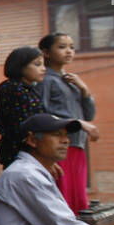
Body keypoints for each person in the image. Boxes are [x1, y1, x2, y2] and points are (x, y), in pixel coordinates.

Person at [39, 32, 99, 212]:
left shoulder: (72, 81)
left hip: (78, 146)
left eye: (72, 47)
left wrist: (84, 89)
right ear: (46, 52)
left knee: (78, 200)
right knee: (62, 201)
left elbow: (89, 115)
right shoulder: (45, 80)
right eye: (62, 47)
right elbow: (42, 115)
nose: (69, 51)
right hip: (57, 148)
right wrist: (77, 122)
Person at [0, 46, 47, 169]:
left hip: (34, 151)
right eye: (37, 64)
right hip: (20, 153)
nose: (43, 69)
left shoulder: (31, 90)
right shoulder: (11, 88)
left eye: (44, 65)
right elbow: (19, 126)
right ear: (21, 65)